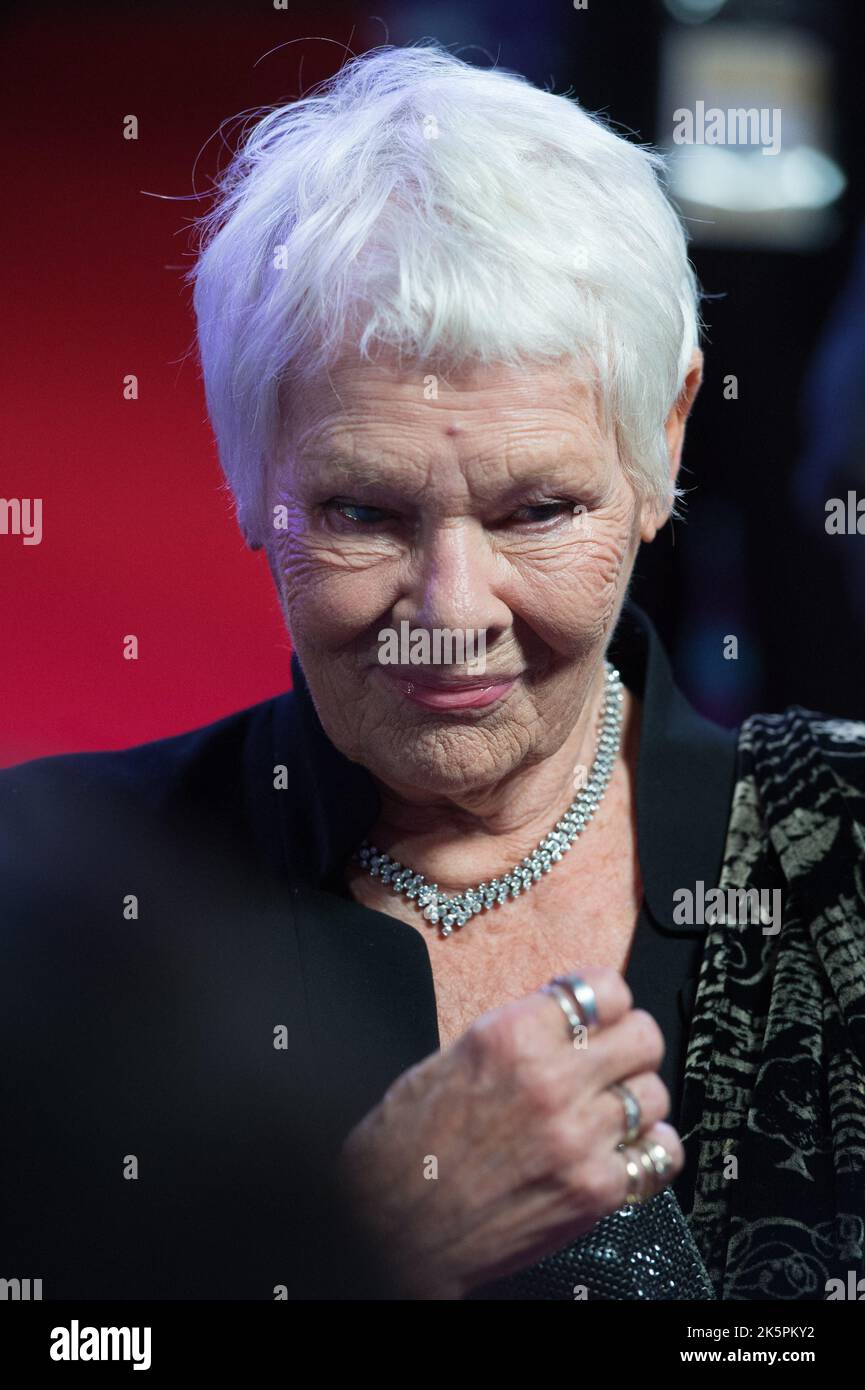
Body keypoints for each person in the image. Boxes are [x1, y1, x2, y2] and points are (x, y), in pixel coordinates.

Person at [2, 43, 864, 1301]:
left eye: (535, 511)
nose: (451, 615)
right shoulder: (70, 894)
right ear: (250, 474)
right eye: (362, 512)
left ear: (661, 443)